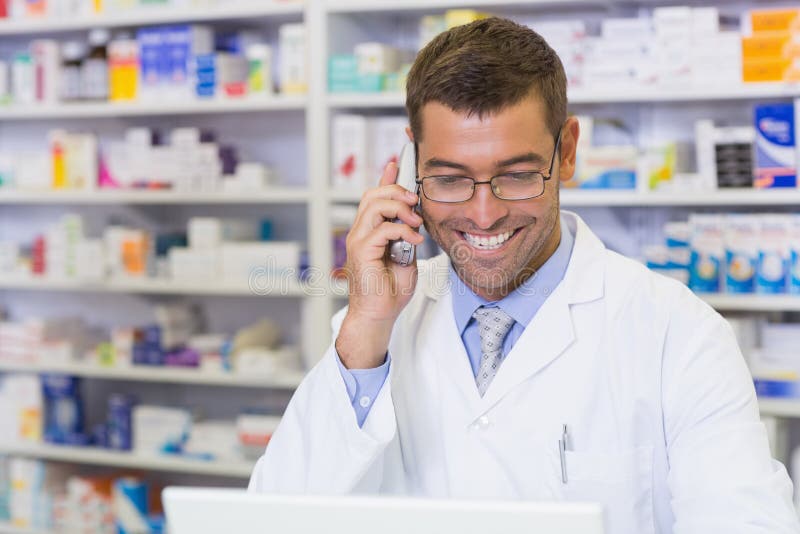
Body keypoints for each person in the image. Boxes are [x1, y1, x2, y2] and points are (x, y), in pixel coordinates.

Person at [249, 17, 800, 533]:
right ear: (414, 167)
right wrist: (366, 331)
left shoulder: (677, 333)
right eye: (449, 178)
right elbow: (272, 520)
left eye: (516, 176)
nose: (484, 215)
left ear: (567, 153)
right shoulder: (372, 331)